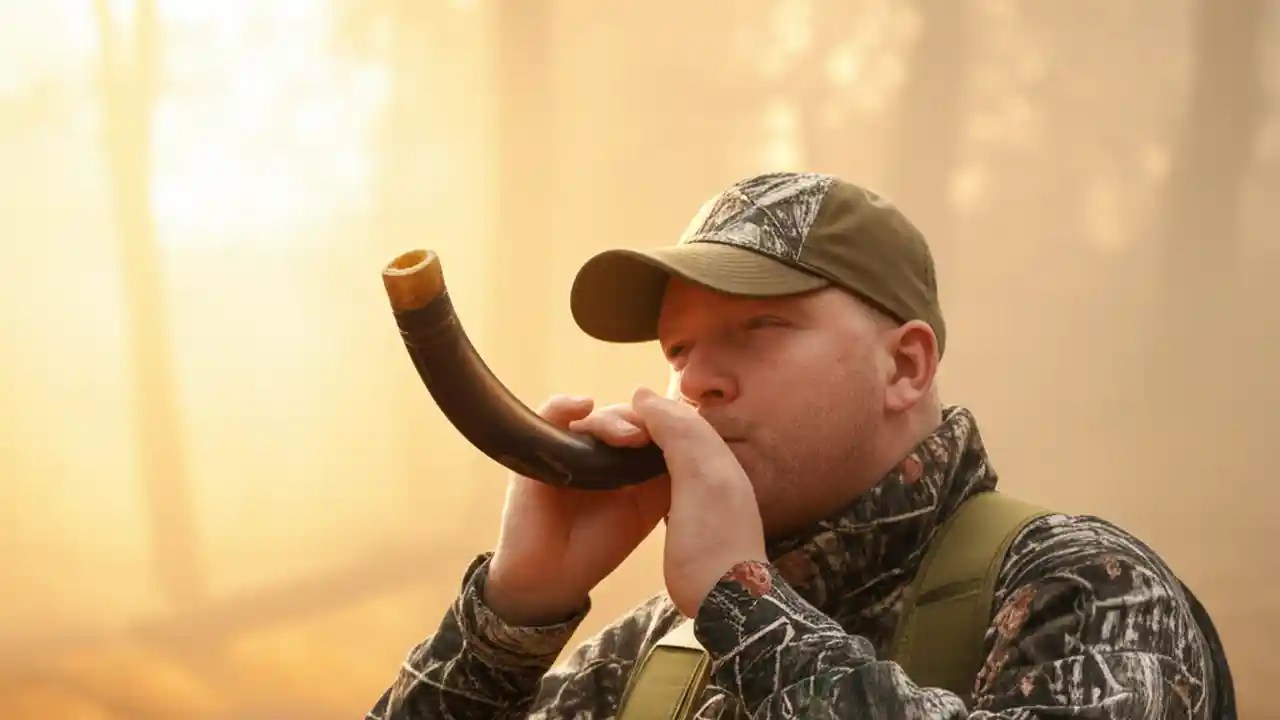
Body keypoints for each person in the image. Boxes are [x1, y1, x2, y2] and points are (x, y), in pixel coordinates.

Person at [367, 172, 1234, 718]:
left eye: (758, 328)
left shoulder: (1085, 588)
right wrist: (510, 618)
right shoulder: (649, 656)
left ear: (905, 365)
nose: (697, 381)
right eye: (678, 351)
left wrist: (745, 608)